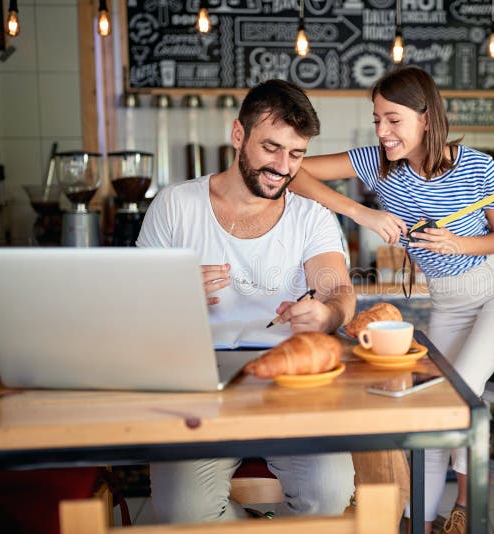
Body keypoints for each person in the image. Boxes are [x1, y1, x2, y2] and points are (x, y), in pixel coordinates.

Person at [289, 65, 494, 534]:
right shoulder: (375, 163)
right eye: (377, 119)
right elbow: (295, 171)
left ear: (426, 117)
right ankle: (420, 522)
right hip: (450, 300)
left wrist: (458, 243)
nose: (382, 131)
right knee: (430, 405)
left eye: (393, 119)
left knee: (462, 389)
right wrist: (359, 210)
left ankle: (465, 509)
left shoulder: (478, 166)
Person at [136, 79, 357, 523]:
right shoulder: (176, 205)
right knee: (183, 511)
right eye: (271, 148)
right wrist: (170, 292)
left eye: (296, 154)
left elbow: (336, 288)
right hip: (195, 385)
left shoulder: (311, 215)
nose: (283, 166)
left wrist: (327, 313)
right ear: (238, 135)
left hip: (290, 383)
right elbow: (136, 305)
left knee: (330, 494)